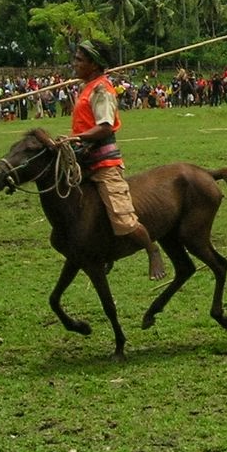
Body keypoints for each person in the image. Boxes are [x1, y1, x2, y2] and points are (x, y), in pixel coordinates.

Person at [70, 38, 168, 281]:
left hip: (103, 163)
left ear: (93, 64)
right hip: (82, 160)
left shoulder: (102, 90)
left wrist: (74, 138)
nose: (74, 64)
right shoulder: (89, 85)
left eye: (79, 60)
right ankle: (103, 250)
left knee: (122, 218)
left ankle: (152, 250)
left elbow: (104, 127)